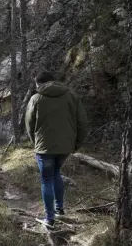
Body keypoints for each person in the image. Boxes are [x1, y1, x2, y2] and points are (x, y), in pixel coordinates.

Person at [24, 71, 88, 228]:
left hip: (44, 148)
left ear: (39, 84)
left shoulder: (36, 99)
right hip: (65, 147)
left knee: (46, 179)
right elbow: (83, 123)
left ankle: (49, 219)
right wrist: (76, 143)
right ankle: (59, 209)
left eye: (36, 85)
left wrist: (35, 142)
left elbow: (29, 124)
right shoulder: (71, 96)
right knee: (56, 173)